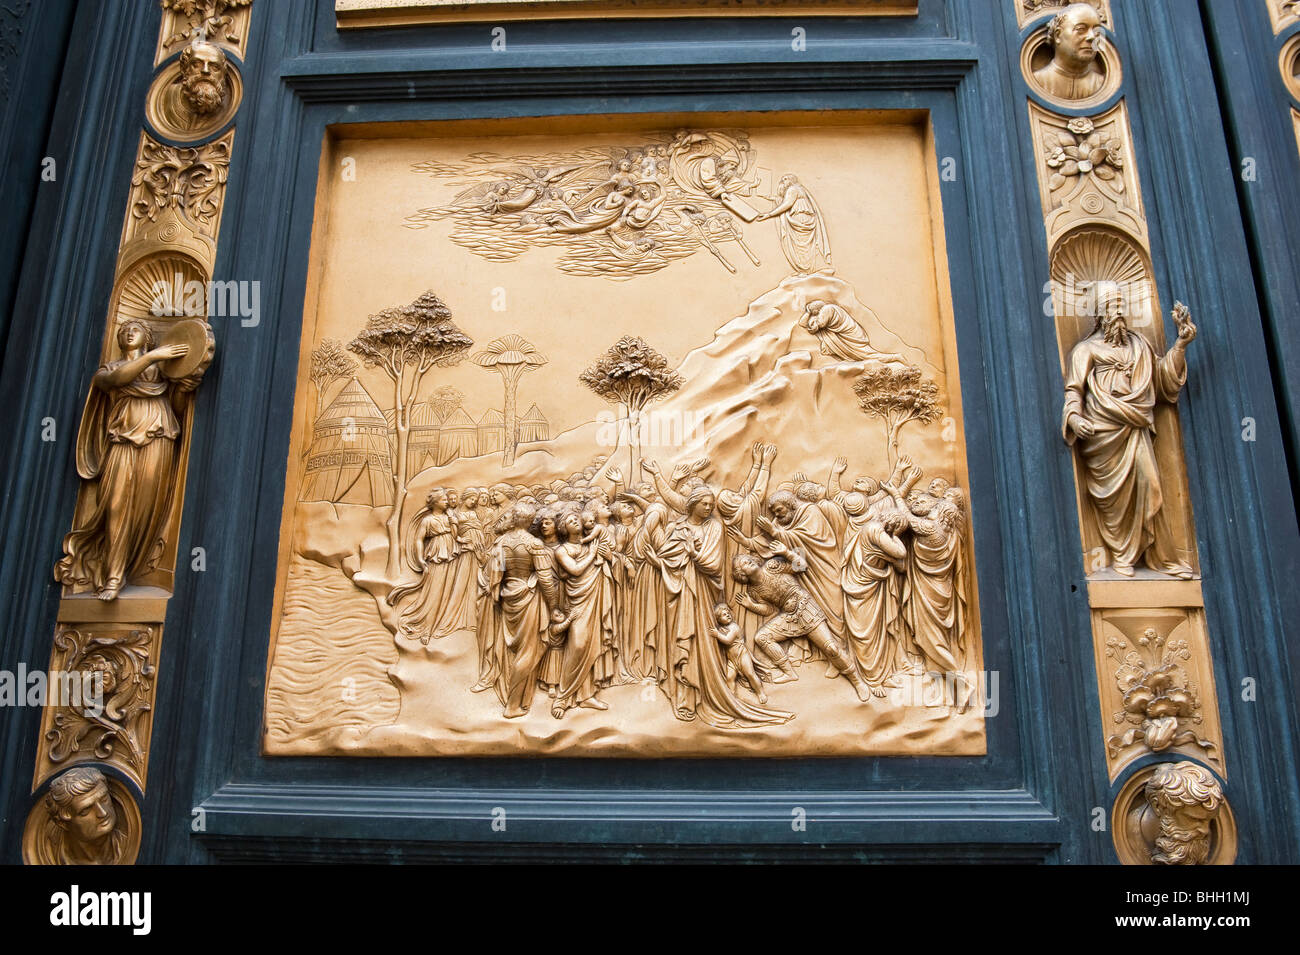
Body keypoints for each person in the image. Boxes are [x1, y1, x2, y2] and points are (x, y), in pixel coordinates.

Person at [54, 319, 202, 601]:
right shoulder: (109, 370)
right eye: (124, 331)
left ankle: (131, 568)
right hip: (121, 440)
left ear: (147, 337)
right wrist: (152, 356)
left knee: (147, 505)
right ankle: (112, 575)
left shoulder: (161, 373)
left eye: (135, 329)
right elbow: (117, 380)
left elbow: (179, 409)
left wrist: (184, 387)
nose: (129, 332)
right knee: (116, 504)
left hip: (159, 437)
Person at [1062, 283, 1196, 577]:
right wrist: (1074, 417)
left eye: (1122, 306)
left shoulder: (1140, 346)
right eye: (1112, 306)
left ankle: (1160, 558)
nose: (1119, 312)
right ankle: (1122, 552)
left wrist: (1180, 346)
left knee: (1151, 485)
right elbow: (1074, 389)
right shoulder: (1086, 350)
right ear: (1100, 313)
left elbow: (1161, 382)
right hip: (1104, 435)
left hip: (1135, 430)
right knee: (1116, 499)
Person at [482, 502, 560, 719]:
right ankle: (513, 705)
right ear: (530, 521)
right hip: (529, 599)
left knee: (519, 652)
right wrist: (553, 607)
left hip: (509, 597)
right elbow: (545, 579)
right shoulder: (534, 544)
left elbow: (496, 577)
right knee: (528, 651)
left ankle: (519, 698)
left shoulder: (501, 544)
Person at [387, 488, 471, 644]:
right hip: (437, 555)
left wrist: (457, 531)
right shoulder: (428, 520)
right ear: (435, 503)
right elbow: (419, 539)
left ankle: (439, 626)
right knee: (434, 592)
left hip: (452, 555)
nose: (447, 501)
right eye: (444, 500)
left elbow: (455, 535)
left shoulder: (449, 516)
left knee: (447, 591)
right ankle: (425, 627)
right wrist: (420, 559)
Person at [1033, 3, 1107, 101]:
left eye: (1097, 31)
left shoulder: (1101, 84)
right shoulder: (1039, 81)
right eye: (1081, 29)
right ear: (1058, 36)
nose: (1092, 37)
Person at [710, 602, 767, 703]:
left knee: (750, 674)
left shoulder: (734, 627)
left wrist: (717, 634)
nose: (727, 614)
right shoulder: (722, 629)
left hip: (742, 655)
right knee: (730, 677)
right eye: (724, 614)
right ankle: (732, 695)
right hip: (732, 658)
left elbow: (728, 640)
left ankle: (760, 692)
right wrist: (718, 632)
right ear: (718, 619)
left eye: (728, 612)